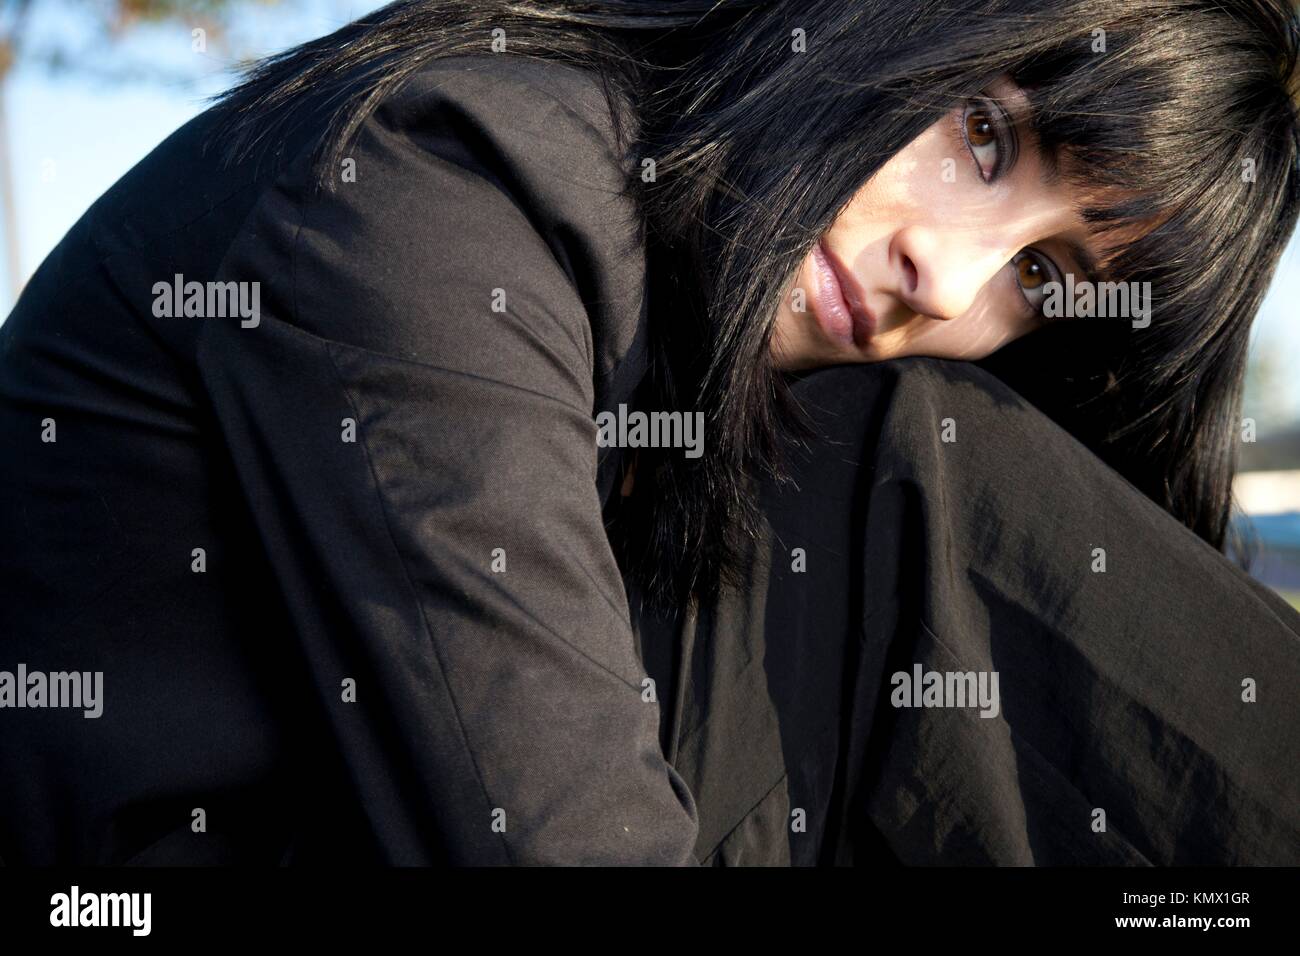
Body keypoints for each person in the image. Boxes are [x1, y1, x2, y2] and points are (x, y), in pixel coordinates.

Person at [0, 0, 1296, 865]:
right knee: (921, 462)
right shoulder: (443, 191)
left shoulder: (699, 296)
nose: (947, 283)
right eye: (983, 134)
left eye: (1047, 281)